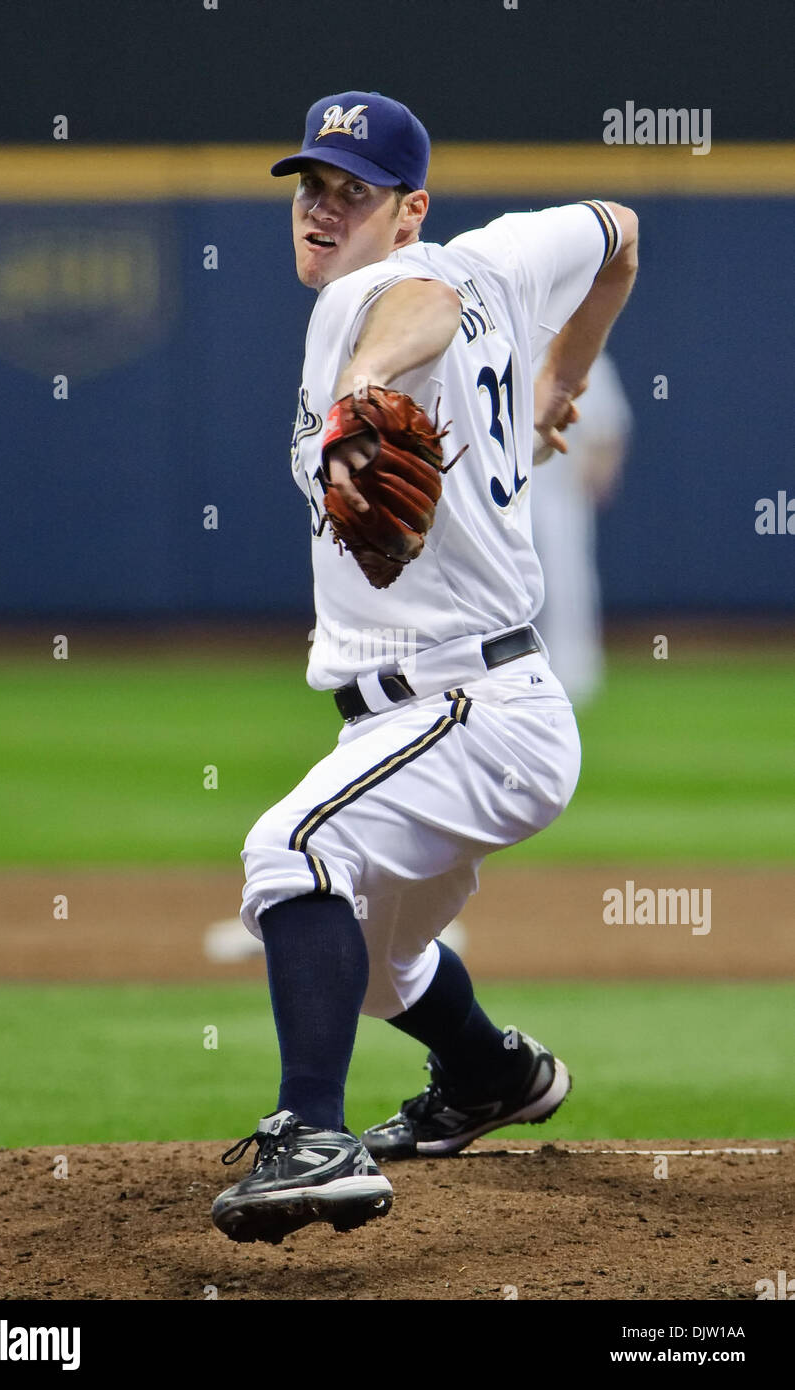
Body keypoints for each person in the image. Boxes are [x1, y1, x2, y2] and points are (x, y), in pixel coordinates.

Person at [211, 91, 638, 1245]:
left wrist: (365, 383)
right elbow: (617, 227)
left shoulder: (381, 287)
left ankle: (312, 1134)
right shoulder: (505, 255)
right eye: (309, 184)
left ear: (410, 211)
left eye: (351, 192)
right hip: (445, 707)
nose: (320, 208)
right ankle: (488, 1071)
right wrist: (561, 375)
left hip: (467, 704)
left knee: (291, 850)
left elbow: (420, 303)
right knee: (380, 959)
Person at [532, 352, 632, 705]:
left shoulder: (584, 351)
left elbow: (608, 426)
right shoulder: (497, 340)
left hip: (560, 492)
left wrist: (601, 474)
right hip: (504, 497)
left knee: (565, 584)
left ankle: (572, 673)